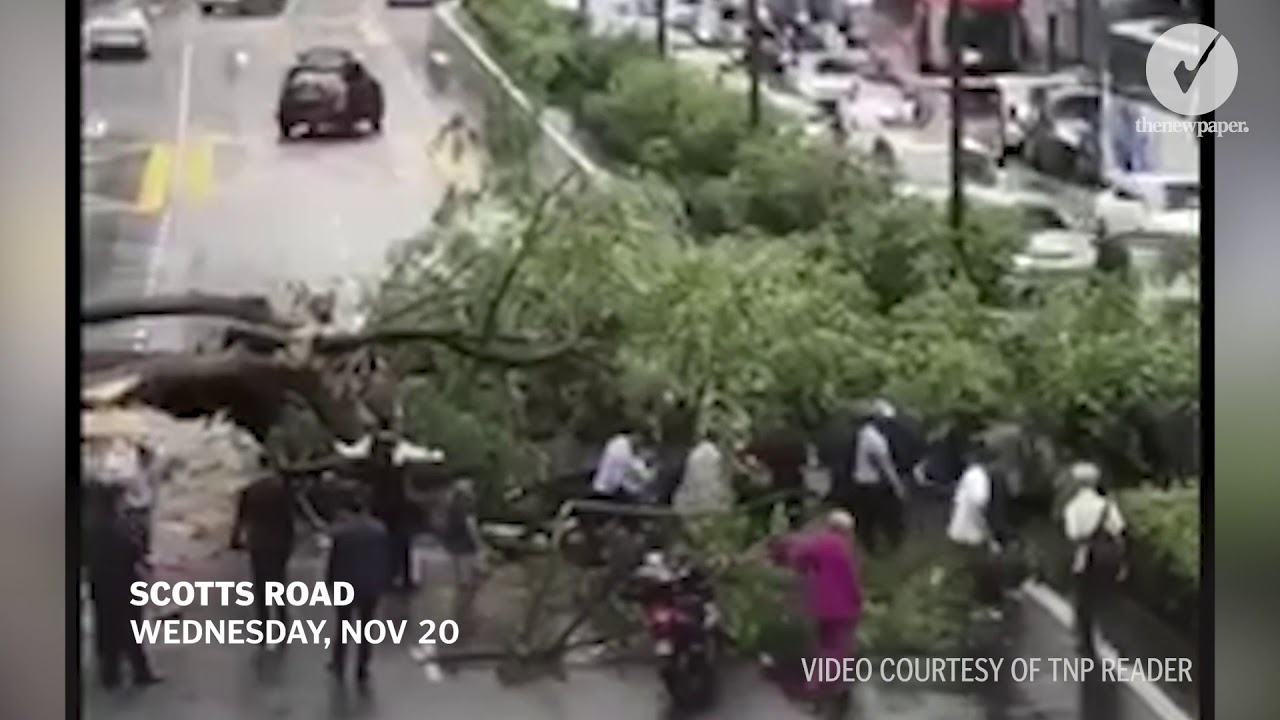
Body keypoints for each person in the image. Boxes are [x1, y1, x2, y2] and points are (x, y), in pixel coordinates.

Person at [771, 510, 864, 718]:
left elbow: (796, 555)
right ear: (843, 530)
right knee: (839, 648)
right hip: (844, 607)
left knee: (825, 645)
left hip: (821, 605)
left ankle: (819, 685)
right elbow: (852, 579)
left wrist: (802, 568)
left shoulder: (821, 543)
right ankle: (827, 687)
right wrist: (860, 600)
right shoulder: (839, 545)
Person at [86, 485, 161, 690]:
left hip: (100, 582)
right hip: (126, 582)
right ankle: (140, 671)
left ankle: (110, 673)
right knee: (132, 625)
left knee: (106, 626)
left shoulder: (88, 526)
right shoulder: (122, 525)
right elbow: (134, 551)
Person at [326, 490, 392, 688]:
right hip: (370, 583)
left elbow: (334, 560)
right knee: (366, 626)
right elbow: (385, 558)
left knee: (343, 624)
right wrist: (384, 580)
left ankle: (339, 661)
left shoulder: (342, 532)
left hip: (345, 583)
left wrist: (329, 581)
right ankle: (362, 665)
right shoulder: (379, 530)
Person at [1062, 462, 1127, 655]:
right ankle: (1109, 637)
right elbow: (1119, 531)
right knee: (1107, 597)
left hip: (1085, 558)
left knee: (1084, 599)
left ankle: (1087, 640)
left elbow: (1073, 534)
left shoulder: (1073, 507)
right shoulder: (1106, 504)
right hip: (1108, 558)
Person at [230, 469, 296, 634]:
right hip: (279, 543)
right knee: (279, 585)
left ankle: (263, 626)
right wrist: (291, 542)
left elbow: (241, 518)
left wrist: (235, 539)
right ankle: (282, 624)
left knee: (260, 586)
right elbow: (288, 518)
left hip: (258, 542)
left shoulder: (250, 491)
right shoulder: (280, 490)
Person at [947, 441, 1002, 612]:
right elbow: (979, 504)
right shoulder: (979, 477)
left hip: (961, 529)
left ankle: (966, 599)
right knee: (983, 568)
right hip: (972, 533)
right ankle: (983, 602)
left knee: (969, 566)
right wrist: (988, 533)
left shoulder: (970, 474)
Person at [847, 401, 907, 553]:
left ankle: (870, 546)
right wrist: (897, 486)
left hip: (861, 482)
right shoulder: (874, 439)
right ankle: (892, 543)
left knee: (867, 519)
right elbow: (885, 465)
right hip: (875, 484)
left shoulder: (860, 436)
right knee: (887, 515)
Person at [438, 475, 487, 640]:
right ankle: (464, 617)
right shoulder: (465, 503)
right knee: (468, 584)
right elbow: (470, 525)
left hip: (456, 547)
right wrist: (480, 545)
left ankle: (462, 615)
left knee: (464, 583)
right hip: (466, 547)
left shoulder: (453, 502)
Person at [672, 428, 732, 516]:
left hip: (689, 498)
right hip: (706, 499)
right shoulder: (716, 455)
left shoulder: (695, 452)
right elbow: (716, 478)